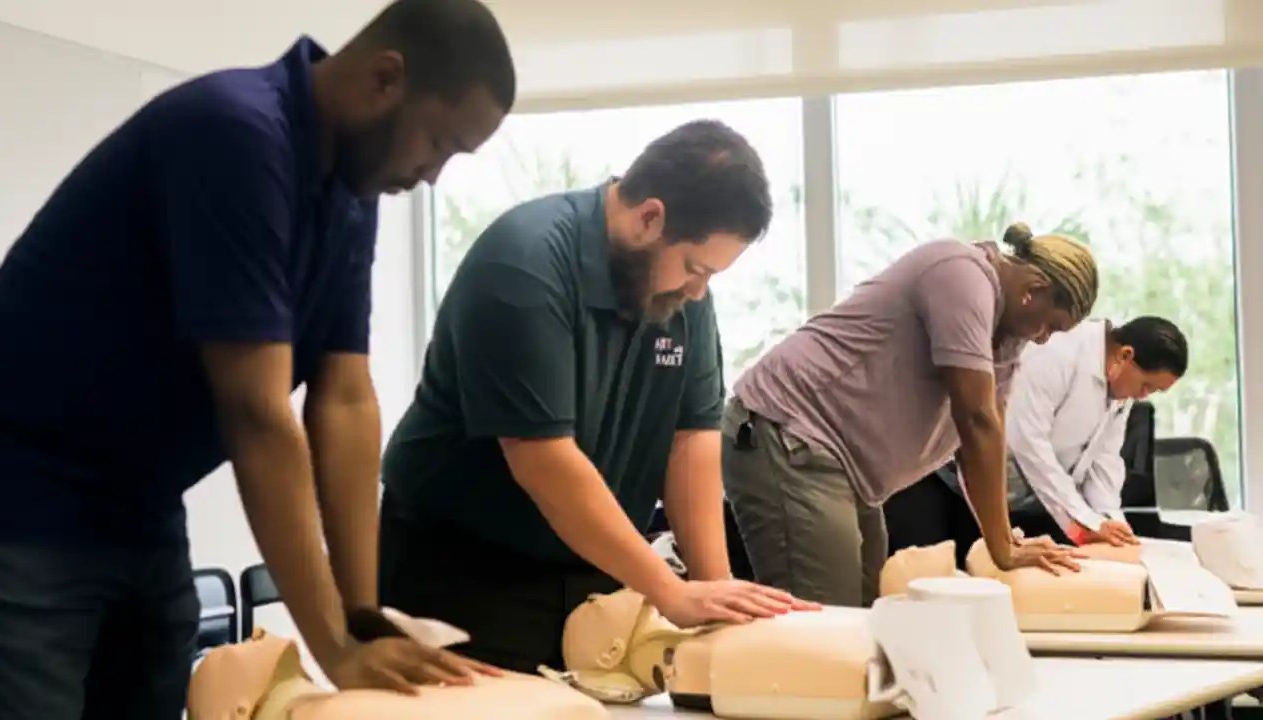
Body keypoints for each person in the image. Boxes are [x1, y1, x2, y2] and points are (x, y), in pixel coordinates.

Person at [0, 2, 515, 718]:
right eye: (439, 143)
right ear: (387, 79)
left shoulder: (350, 192)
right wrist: (334, 651)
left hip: (140, 507)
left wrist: (363, 616)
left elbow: (344, 397)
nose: (431, 177)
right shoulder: (234, 132)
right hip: (18, 505)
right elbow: (257, 413)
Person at [379, 119, 816, 674]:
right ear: (650, 217)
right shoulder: (525, 264)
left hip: (590, 563)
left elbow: (691, 439)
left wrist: (713, 591)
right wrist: (670, 592)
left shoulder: (682, 295)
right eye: (694, 268)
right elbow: (544, 461)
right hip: (461, 566)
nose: (698, 290)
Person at [722, 223, 1099, 608]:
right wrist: (1002, 548)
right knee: (827, 620)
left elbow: (987, 437)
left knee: (868, 610)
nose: (1042, 339)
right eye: (1049, 325)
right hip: (790, 433)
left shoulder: (1005, 334)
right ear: (1033, 289)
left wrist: (1004, 538)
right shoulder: (962, 274)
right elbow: (976, 420)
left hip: (845, 466)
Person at [887, 316, 1188, 554]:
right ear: (1126, 355)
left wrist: (1112, 523)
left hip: (1015, 497)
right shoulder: (1060, 351)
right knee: (929, 585)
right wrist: (1087, 520)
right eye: (1148, 386)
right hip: (946, 482)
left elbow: (1104, 463)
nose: (1144, 396)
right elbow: (1027, 443)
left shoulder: (1121, 391)